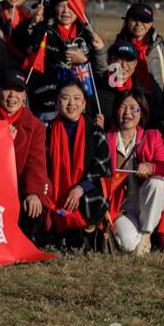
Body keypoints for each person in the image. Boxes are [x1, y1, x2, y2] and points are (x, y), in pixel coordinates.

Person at [11, 0, 108, 121]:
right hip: (48, 101)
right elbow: (20, 43)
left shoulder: (88, 34)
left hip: (81, 104)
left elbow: (100, 71)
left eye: (71, 6)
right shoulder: (43, 29)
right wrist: (32, 24)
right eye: (61, 6)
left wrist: (86, 59)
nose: (66, 11)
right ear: (54, 8)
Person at [44, 81, 112, 250]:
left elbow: (102, 167)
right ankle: (60, 235)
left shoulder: (94, 130)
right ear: (57, 102)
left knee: (95, 200)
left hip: (85, 188)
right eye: (65, 98)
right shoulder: (47, 129)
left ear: (84, 104)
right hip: (54, 188)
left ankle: (88, 234)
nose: (71, 103)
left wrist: (80, 188)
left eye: (77, 99)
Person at [105, 88, 164, 255]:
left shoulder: (152, 136)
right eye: (123, 107)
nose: (128, 113)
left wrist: (150, 167)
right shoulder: (106, 137)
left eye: (134, 108)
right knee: (128, 244)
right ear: (116, 109)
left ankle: (146, 235)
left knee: (158, 183)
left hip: (145, 200)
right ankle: (134, 235)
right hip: (121, 206)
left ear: (142, 113)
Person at [0, 71, 49, 240]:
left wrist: (33, 193)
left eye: (18, 91)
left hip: (19, 191)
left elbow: (35, 164)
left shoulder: (35, 126)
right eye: (8, 89)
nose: (12, 96)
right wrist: (1, 143)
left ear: (25, 96)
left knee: (34, 207)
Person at [99, 41, 162, 127]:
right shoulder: (97, 89)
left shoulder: (143, 92)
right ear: (110, 61)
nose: (124, 65)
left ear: (135, 63)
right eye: (119, 59)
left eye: (129, 60)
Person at [115, 2, 164, 92]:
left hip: (156, 102)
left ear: (150, 24)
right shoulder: (118, 47)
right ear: (127, 22)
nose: (139, 24)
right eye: (134, 19)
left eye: (144, 20)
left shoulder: (159, 47)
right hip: (128, 102)